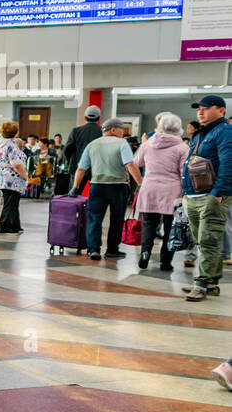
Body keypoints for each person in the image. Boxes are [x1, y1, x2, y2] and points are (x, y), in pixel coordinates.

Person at [180, 95, 232, 301]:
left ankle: (200, 284)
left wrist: (218, 193)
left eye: (206, 108)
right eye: (198, 109)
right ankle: (212, 282)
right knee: (202, 242)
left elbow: (229, 162)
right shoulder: (201, 133)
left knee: (208, 241)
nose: (200, 112)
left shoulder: (225, 131)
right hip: (193, 195)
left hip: (212, 196)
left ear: (221, 110)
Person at [73, 117, 143, 261]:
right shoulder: (122, 143)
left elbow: (81, 168)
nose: (123, 132)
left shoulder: (92, 144)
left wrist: (75, 187)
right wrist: (141, 183)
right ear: (113, 130)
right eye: (121, 129)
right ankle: (112, 250)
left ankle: (94, 249)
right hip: (118, 187)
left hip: (97, 186)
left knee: (94, 218)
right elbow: (130, 165)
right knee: (116, 219)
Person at [133, 112, 186, 272]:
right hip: (173, 191)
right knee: (171, 228)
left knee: (149, 224)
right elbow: (185, 172)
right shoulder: (182, 147)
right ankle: (165, 262)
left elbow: (137, 162)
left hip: (150, 188)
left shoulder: (148, 144)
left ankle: (145, 253)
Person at [0, 121, 28, 233]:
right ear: (15, 133)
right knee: (10, 203)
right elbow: (16, 164)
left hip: (2, 176)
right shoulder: (11, 145)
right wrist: (25, 176)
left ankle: (16, 226)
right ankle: (5, 227)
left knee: (12, 202)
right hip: (13, 178)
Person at [62, 106, 103, 187]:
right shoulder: (103, 132)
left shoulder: (76, 131)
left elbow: (67, 149)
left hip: (77, 167)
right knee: (96, 196)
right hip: (97, 169)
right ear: (99, 117)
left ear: (85, 117)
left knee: (74, 194)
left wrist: (69, 162)